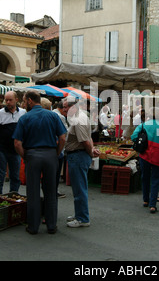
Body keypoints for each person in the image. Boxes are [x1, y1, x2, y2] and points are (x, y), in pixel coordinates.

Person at [13, 90, 67, 235]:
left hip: (32, 155)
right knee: (51, 192)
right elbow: (62, 138)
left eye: (24, 101)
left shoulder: (25, 118)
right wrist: (55, 153)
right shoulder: (52, 116)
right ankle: (51, 225)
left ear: (30, 101)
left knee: (33, 192)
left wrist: (25, 156)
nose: (23, 104)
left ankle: (33, 226)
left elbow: (17, 143)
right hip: (50, 155)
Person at [63, 97, 100, 228]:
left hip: (78, 155)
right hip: (78, 155)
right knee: (79, 187)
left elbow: (85, 140)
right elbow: (88, 137)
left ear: (74, 107)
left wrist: (90, 152)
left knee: (79, 188)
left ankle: (83, 218)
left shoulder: (79, 119)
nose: (64, 109)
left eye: (66, 106)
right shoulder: (81, 116)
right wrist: (92, 149)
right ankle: (79, 214)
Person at [131, 107, 159, 213]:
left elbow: (133, 137)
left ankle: (146, 200)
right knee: (155, 180)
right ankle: (153, 205)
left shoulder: (143, 125)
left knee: (145, 177)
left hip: (145, 156)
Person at [0, 91, 26, 195]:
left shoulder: (23, 112)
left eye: (10, 100)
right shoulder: (0, 113)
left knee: (15, 176)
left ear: (16, 100)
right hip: (1, 150)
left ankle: (12, 197)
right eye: (6, 100)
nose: (8, 102)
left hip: (15, 151)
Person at [52, 100, 68, 198]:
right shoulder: (60, 117)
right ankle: (55, 191)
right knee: (56, 171)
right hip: (58, 147)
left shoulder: (52, 113)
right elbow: (64, 134)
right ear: (62, 108)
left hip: (51, 146)